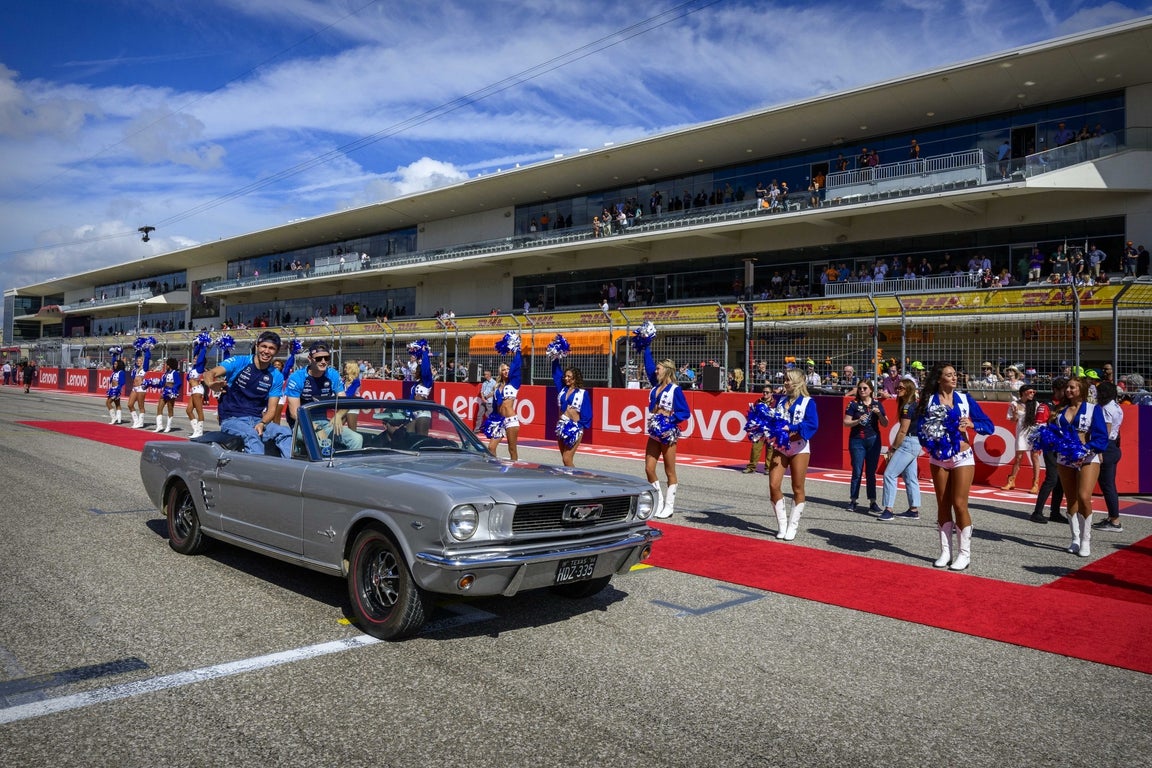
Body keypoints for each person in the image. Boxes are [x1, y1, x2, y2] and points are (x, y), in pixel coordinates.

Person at [917, 362, 994, 570]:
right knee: (943, 504)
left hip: (962, 457)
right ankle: (945, 552)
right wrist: (930, 443)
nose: (954, 377)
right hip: (938, 458)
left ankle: (964, 554)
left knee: (959, 504)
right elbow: (919, 429)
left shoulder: (965, 399)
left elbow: (989, 426)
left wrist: (972, 424)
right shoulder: (928, 401)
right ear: (939, 379)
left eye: (955, 374)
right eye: (949, 375)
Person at [202, 330, 293, 458]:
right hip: (231, 419)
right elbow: (209, 373)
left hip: (257, 420)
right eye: (264, 346)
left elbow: (272, 410)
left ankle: (290, 468)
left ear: (276, 351)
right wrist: (211, 384)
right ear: (257, 346)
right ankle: (258, 470)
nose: (266, 351)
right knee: (251, 435)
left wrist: (262, 423)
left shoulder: (276, 376)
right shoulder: (240, 361)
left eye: (271, 348)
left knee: (285, 432)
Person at [1050, 377, 1109, 557]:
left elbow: (1101, 436)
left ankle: (1085, 540)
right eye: (1067, 387)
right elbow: (1053, 433)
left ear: (1081, 390)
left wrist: (1086, 448)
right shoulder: (1060, 410)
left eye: (1072, 387)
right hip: (1065, 457)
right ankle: (1075, 538)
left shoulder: (1093, 409)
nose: (1068, 390)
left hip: (1087, 456)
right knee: (1071, 499)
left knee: (1083, 496)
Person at [637, 324, 691, 520]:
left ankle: (669, 506)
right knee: (649, 468)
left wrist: (670, 420)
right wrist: (646, 345)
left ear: (667, 371)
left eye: (659, 369)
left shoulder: (675, 390)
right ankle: (658, 501)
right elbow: (649, 365)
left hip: (668, 432)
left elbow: (685, 412)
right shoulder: (655, 386)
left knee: (670, 470)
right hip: (654, 432)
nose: (655, 371)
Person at [767, 369, 819, 540]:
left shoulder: (808, 402)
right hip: (780, 446)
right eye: (785, 379)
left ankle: (792, 526)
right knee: (773, 485)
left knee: (797, 487)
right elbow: (775, 421)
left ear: (797, 382)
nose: (785, 382)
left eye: (788, 379)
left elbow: (812, 424)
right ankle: (782, 525)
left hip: (799, 447)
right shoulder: (781, 400)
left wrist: (792, 427)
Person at [286, 341, 362, 450]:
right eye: (318, 359)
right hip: (301, 423)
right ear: (310, 359)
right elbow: (294, 413)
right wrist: (316, 428)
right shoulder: (297, 377)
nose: (323, 362)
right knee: (321, 442)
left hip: (324, 421)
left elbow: (344, 401)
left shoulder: (332, 374)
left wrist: (339, 415)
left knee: (356, 439)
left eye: (326, 358)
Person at [878, 375, 922, 521]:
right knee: (910, 477)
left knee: (889, 474)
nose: (898, 390)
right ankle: (913, 509)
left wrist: (893, 449)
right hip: (915, 442)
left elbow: (903, 430)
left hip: (908, 442)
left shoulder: (907, 407)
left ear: (909, 389)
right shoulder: (915, 404)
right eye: (897, 387)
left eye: (901, 388)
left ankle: (888, 509)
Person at [843, 379, 888, 513]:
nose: (862, 390)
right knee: (857, 471)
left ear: (871, 390)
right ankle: (853, 500)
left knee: (871, 472)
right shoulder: (853, 404)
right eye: (860, 388)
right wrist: (858, 420)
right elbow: (846, 422)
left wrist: (879, 414)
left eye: (865, 388)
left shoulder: (877, 404)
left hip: (873, 440)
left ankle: (872, 501)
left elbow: (885, 423)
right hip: (857, 440)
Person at [1030, 377, 1069, 524]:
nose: (1066, 392)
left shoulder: (1068, 405)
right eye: (1063, 390)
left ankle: (1055, 512)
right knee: (1052, 479)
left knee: (1060, 481)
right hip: (1051, 447)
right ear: (1056, 390)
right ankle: (1037, 512)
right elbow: (1038, 428)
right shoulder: (1046, 406)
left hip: (1063, 447)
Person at [550, 335, 592, 467]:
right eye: (566, 376)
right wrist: (555, 356)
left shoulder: (583, 393)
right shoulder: (562, 389)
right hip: (561, 426)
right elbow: (556, 373)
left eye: (569, 377)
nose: (566, 378)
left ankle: (576, 478)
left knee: (567, 458)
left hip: (574, 427)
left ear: (575, 378)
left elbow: (587, 415)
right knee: (564, 459)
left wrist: (578, 426)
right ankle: (569, 477)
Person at [1092, 381, 1124, 533]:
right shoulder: (1117, 407)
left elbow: (1105, 431)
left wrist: (1099, 451)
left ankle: (1115, 520)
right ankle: (1112, 518)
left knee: (1107, 485)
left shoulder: (1105, 408)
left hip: (1106, 447)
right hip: (1113, 446)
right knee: (1108, 484)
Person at [1001, 383, 1046, 492]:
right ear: (1023, 393)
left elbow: (1039, 419)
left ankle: (1035, 484)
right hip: (1021, 432)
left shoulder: (1036, 404)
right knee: (1018, 457)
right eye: (1030, 392)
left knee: (1035, 456)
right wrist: (1015, 414)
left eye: (1034, 392)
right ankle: (1011, 481)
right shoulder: (1014, 404)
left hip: (1033, 432)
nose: (1032, 394)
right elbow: (1013, 420)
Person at [485, 332, 523, 460]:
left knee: (512, 450)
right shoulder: (497, 386)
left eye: (507, 369)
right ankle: (494, 468)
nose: (506, 371)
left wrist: (517, 350)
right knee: (491, 447)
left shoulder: (514, 382)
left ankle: (514, 470)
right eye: (503, 370)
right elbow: (495, 405)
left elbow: (517, 365)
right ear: (500, 372)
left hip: (511, 420)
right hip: (499, 420)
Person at [185, 331, 211, 438]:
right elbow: (196, 353)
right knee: (188, 410)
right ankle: (196, 430)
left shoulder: (199, 368)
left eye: (196, 358)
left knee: (199, 411)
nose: (194, 359)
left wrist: (204, 345)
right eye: (194, 358)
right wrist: (198, 344)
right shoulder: (193, 369)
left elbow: (201, 357)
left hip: (198, 390)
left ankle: (199, 432)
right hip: (194, 390)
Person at [743, 386, 774, 474]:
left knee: (770, 449)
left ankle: (768, 468)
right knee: (755, 448)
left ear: (771, 393)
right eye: (763, 392)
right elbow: (753, 413)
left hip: (771, 429)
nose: (765, 394)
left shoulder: (775, 402)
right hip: (759, 429)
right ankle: (751, 467)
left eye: (767, 392)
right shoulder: (758, 401)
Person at [153, 357, 183, 433]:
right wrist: (154, 383)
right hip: (164, 391)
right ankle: (159, 426)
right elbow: (161, 383)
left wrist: (173, 389)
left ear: (169, 365)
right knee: (159, 407)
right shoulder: (165, 374)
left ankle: (168, 426)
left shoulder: (175, 373)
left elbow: (179, 383)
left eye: (166, 364)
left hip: (171, 392)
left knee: (170, 408)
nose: (165, 365)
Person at [127, 350, 151, 428]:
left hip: (141, 388)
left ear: (143, 362)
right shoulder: (135, 370)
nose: (138, 362)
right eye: (137, 361)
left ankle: (140, 423)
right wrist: (138, 350)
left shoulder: (145, 368)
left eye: (140, 361)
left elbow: (147, 357)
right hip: (134, 388)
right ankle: (136, 421)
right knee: (130, 404)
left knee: (141, 406)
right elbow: (136, 356)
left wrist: (147, 350)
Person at [104, 359, 127, 424]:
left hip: (116, 390)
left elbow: (122, 382)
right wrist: (114, 355)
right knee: (117, 404)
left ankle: (114, 418)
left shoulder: (121, 372)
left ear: (119, 365)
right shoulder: (114, 372)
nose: (114, 365)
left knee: (108, 403)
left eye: (116, 364)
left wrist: (118, 389)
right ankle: (119, 419)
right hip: (112, 389)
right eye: (114, 364)